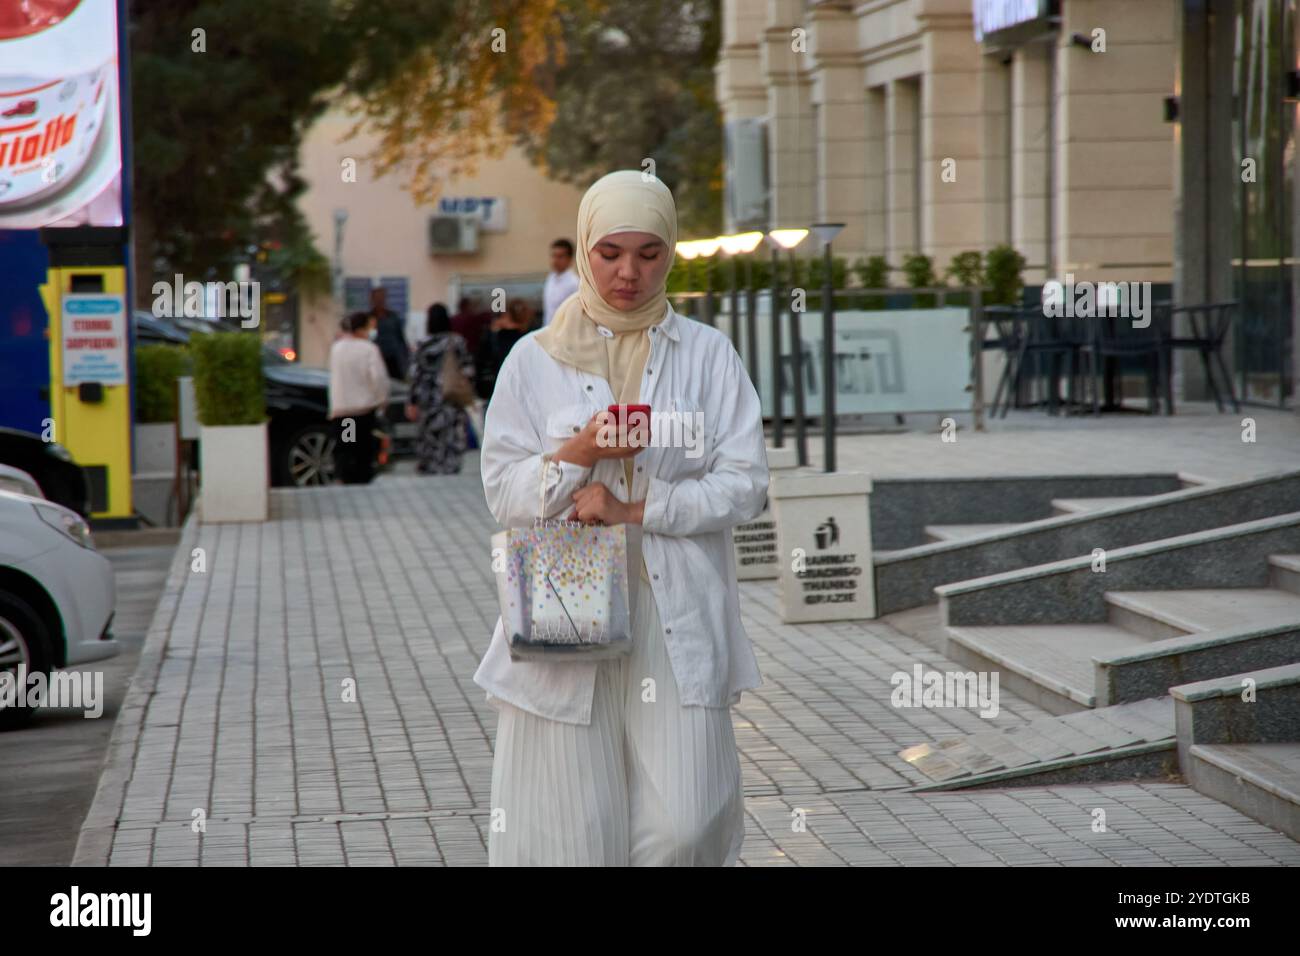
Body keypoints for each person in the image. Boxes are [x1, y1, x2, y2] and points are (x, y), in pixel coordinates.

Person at [476, 171, 769, 866]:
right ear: (584, 248)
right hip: (567, 593)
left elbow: (746, 484)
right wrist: (577, 453)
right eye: (609, 253)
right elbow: (502, 493)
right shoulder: (533, 360)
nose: (628, 273)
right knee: (571, 827)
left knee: (689, 822)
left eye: (648, 253)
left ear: (671, 253)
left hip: (675, 604)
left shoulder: (707, 355)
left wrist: (640, 509)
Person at [407, 302, 475, 475]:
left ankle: (431, 467)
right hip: (451, 396)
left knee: (429, 434)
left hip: (427, 399)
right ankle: (450, 467)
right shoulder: (457, 341)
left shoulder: (422, 344)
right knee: (451, 433)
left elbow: (415, 374)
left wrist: (411, 402)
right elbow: (468, 369)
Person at [328, 311, 391, 484]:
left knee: (346, 447)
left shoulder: (336, 349)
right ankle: (360, 481)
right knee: (363, 451)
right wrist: (381, 399)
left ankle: (344, 478)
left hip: (342, 411)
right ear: (362, 328)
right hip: (362, 411)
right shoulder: (369, 349)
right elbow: (378, 377)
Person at [475, 299, 534, 402]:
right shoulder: (530, 339)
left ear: (507, 315)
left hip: (496, 389)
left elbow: (480, 361)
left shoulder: (493, 336)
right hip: (523, 392)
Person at [368, 286, 410, 381]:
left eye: (381, 297)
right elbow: (370, 338)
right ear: (372, 300)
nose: (379, 300)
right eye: (376, 298)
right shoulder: (370, 318)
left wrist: (405, 359)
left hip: (394, 360)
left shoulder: (393, 317)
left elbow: (401, 339)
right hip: (376, 360)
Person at [541, 238, 579, 327]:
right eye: (553, 256)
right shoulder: (551, 277)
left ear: (570, 259)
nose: (555, 260)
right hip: (547, 329)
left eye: (560, 256)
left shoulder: (574, 283)